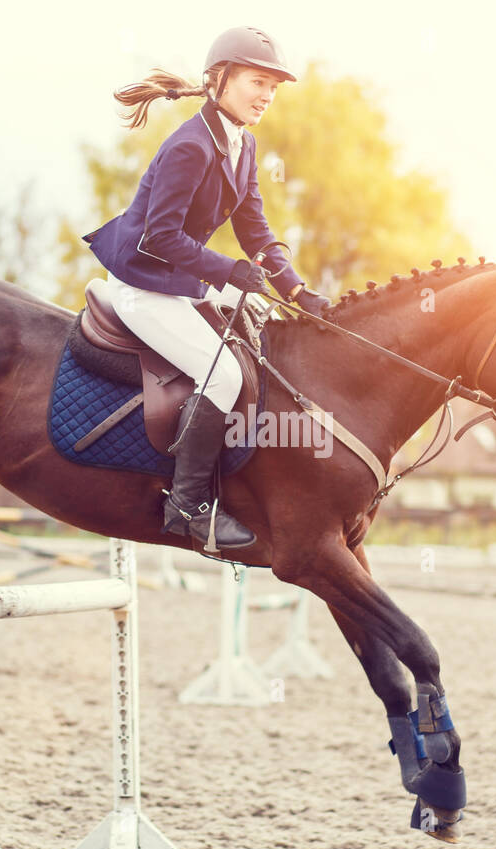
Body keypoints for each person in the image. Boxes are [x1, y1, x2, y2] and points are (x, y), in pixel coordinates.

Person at [82, 26, 332, 550]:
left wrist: (298, 290)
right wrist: (227, 271)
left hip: (180, 278)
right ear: (220, 79)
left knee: (262, 327)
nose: (266, 95)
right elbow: (160, 236)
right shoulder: (191, 147)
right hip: (142, 283)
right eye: (257, 82)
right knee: (221, 377)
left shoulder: (242, 143)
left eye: (273, 87)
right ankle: (187, 506)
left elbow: (256, 232)